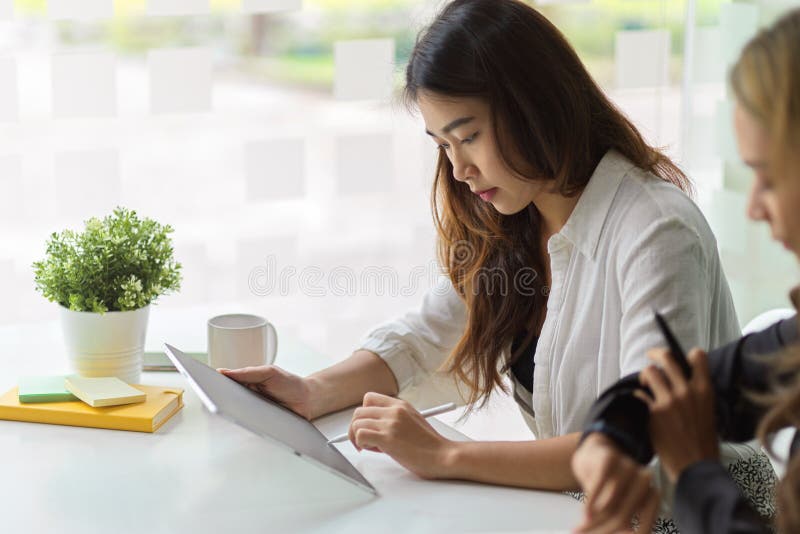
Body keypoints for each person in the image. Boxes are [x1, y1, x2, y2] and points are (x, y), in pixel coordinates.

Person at [220, 0, 749, 514]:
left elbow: (642, 441)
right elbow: (426, 337)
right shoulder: (514, 220)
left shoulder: (656, 231)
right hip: (582, 509)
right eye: (443, 146)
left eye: (468, 136)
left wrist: (444, 454)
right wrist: (311, 392)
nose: (459, 170)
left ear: (536, 104)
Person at [572, 8, 800, 534]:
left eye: (768, 177)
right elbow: (678, 388)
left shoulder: (656, 225)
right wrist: (606, 439)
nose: (754, 207)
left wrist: (696, 472)